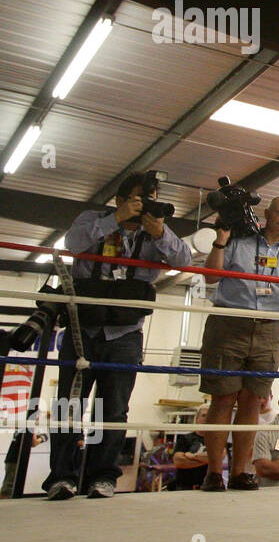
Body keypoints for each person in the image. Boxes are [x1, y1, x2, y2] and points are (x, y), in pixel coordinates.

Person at [44, 172, 192, 500]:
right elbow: (72, 243)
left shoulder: (156, 233)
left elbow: (184, 259)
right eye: (138, 199)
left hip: (126, 333)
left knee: (113, 408)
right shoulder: (93, 219)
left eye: (149, 199)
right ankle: (62, 477)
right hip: (83, 328)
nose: (143, 206)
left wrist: (161, 232)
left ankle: (103, 477)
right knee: (69, 405)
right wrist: (115, 220)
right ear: (120, 199)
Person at [199, 195, 279, 492]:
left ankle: (240, 473)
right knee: (222, 399)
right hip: (229, 322)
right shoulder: (238, 240)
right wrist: (220, 241)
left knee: (253, 400)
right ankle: (212, 473)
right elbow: (209, 278)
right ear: (267, 214)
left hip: (269, 328)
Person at [170, 404, 213, 491]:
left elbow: (219, 457)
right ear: (196, 420)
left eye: (209, 416)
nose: (206, 419)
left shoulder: (216, 441)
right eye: (203, 415)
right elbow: (179, 461)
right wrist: (207, 459)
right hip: (184, 486)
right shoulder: (185, 439)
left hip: (207, 487)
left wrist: (192, 456)